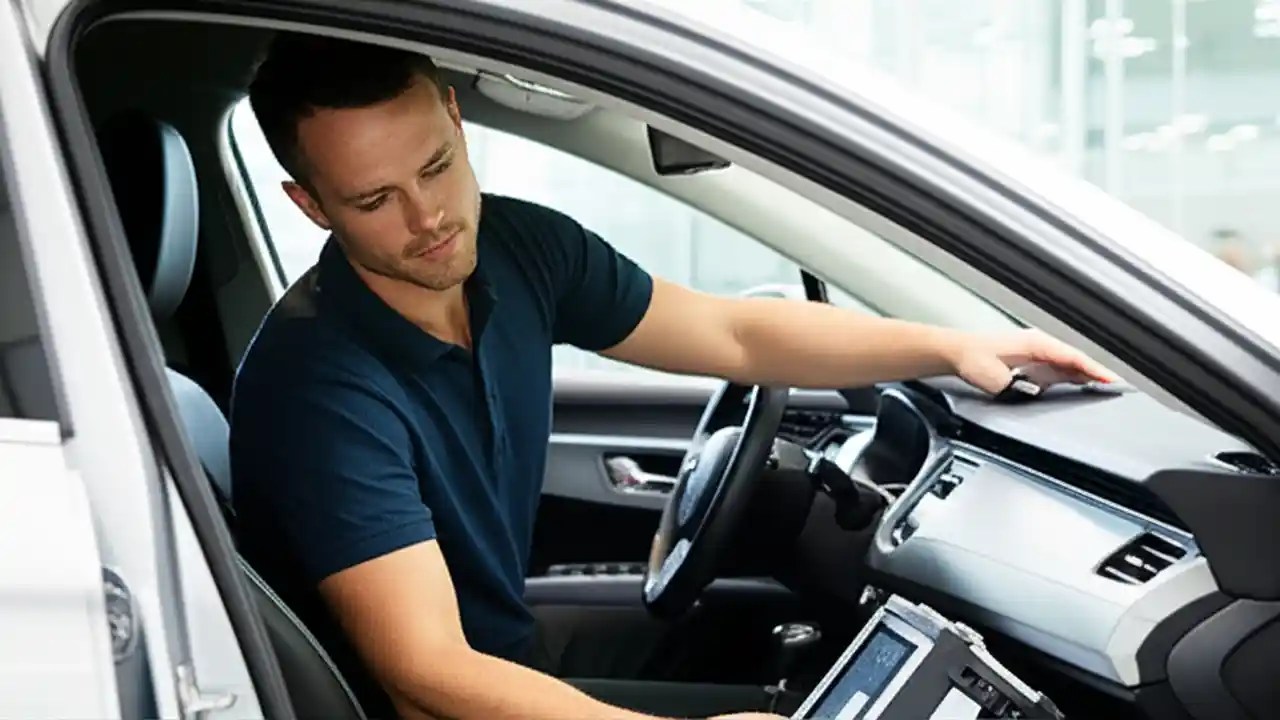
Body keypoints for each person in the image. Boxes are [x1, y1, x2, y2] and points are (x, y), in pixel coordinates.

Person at [229, 33, 1114, 720]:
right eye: (376, 200)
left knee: (787, 666)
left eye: (435, 167)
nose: (429, 219)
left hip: (506, 656)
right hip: (439, 703)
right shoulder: (317, 387)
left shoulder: (517, 248)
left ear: (456, 120)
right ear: (309, 205)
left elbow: (731, 333)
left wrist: (952, 346)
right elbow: (427, 677)